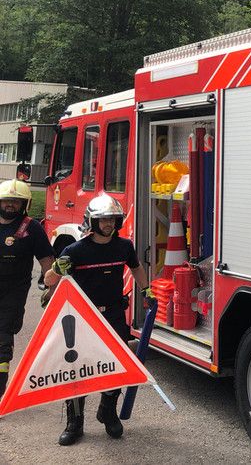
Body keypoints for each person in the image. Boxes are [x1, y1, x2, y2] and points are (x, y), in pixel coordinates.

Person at [43, 193, 155, 445]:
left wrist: (145, 289)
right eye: (103, 220)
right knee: (77, 368)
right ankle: (75, 423)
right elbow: (49, 280)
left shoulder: (124, 246)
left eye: (113, 219)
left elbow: (136, 267)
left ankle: (108, 412)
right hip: (82, 317)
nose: (108, 224)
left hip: (114, 314)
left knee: (115, 365)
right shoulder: (74, 250)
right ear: (91, 222)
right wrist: (57, 270)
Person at [0, 179, 56, 397]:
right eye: (6, 201)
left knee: (2, 343)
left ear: (25, 205)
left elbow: (47, 261)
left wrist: (52, 289)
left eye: (16, 201)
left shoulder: (31, 228)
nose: (10, 205)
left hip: (12, 295)